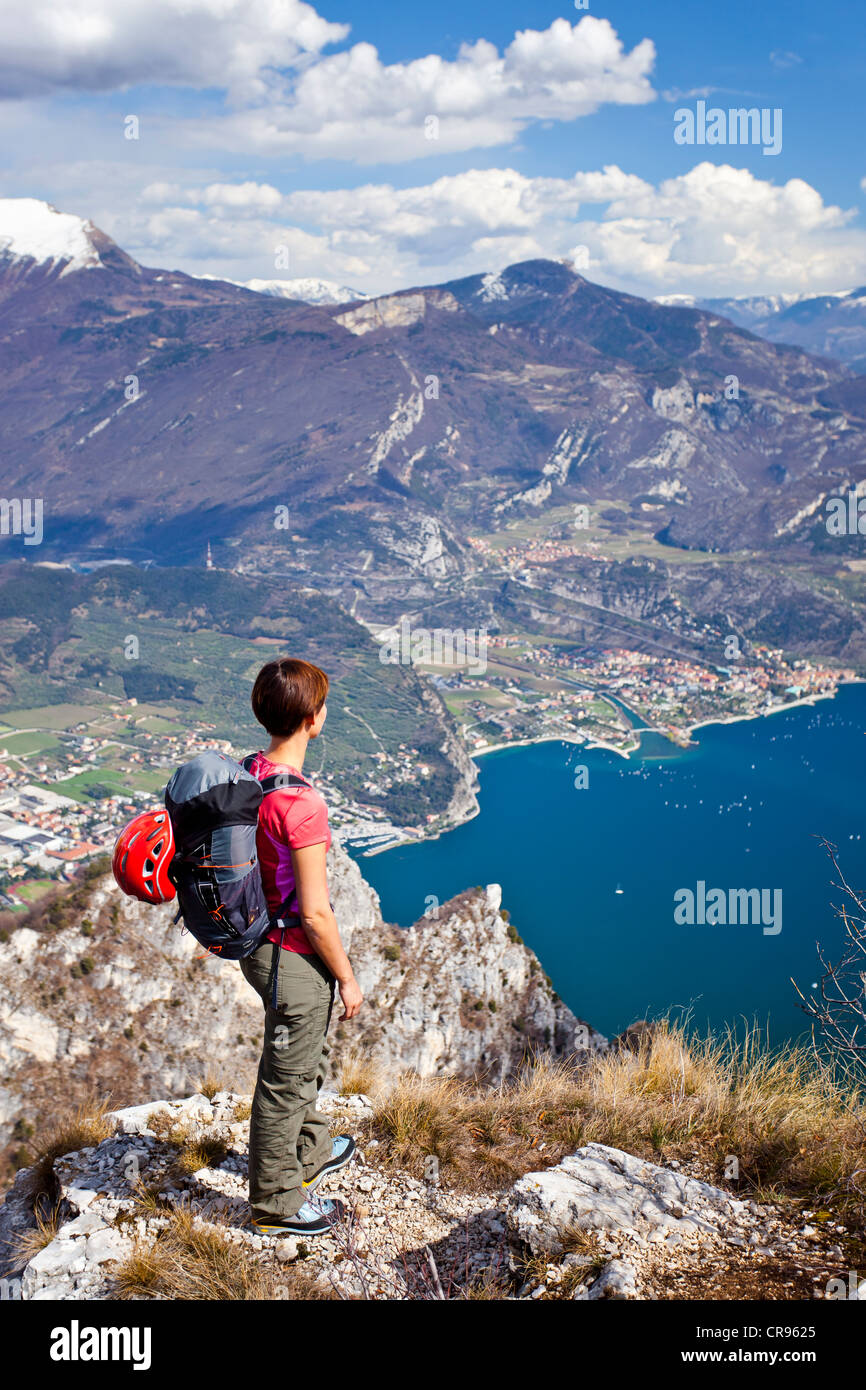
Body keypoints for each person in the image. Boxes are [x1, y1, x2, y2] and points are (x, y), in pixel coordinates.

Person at [241, 657, 363, 1236]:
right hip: (290, 955)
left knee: (301, 1057)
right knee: (285, 1077)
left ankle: (309, 1150)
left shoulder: (248, 772)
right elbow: (315, 913)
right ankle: (275, 1202)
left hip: (257, 945)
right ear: (313, 720)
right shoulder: (302, 804)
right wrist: (347, 976)